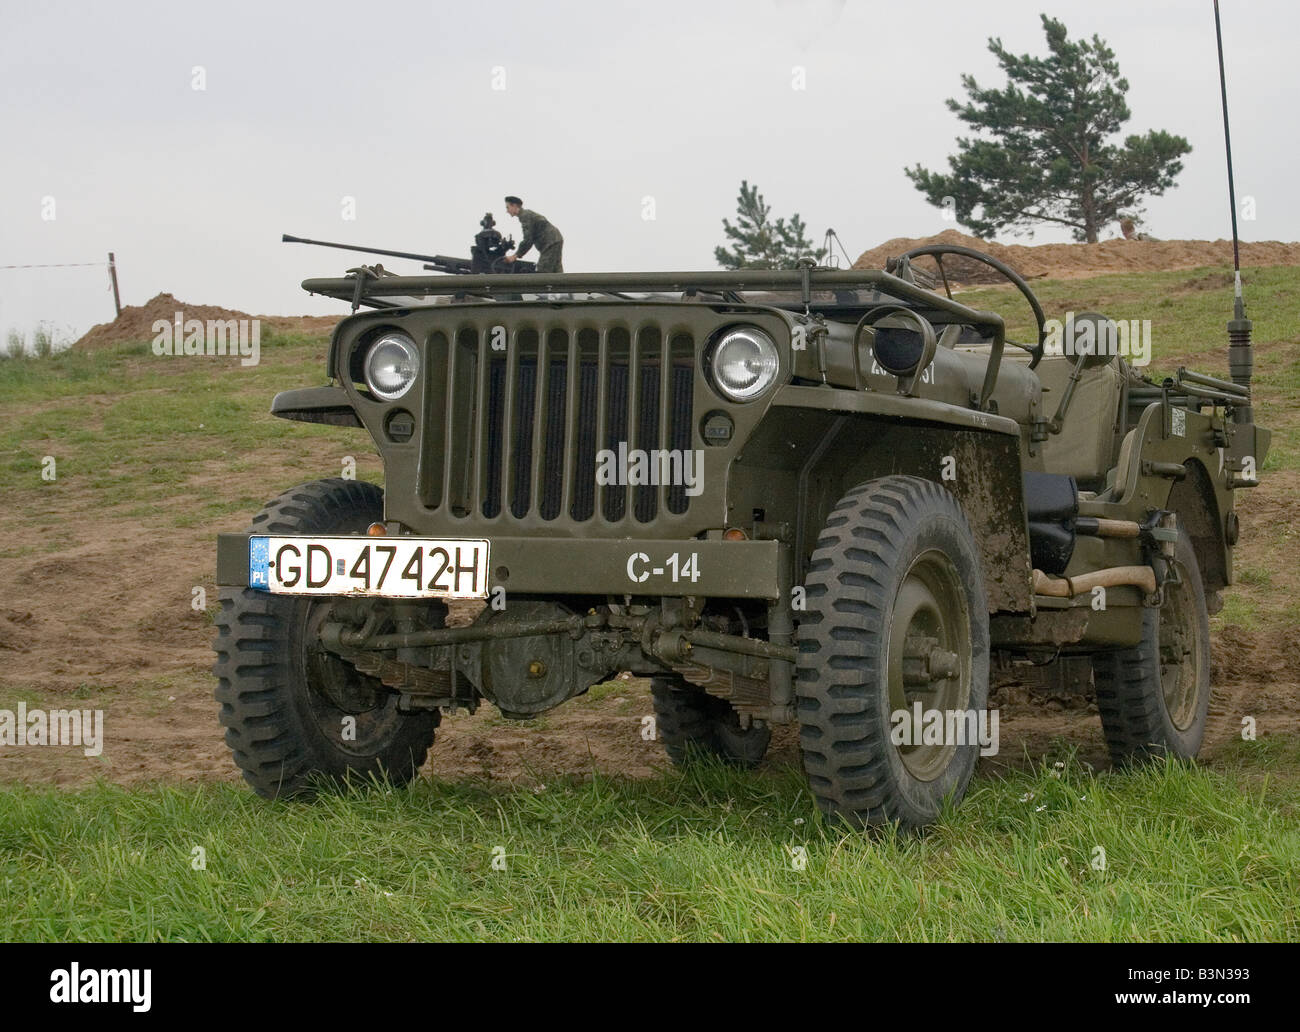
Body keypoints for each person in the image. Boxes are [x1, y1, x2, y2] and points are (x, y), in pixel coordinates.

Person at [503, 196, 564, 272]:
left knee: (543, 270)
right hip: (554, 240)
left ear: (514, 206)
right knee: (556, 271)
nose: (507, 211)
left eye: (507, 207)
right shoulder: (526, 215)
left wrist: (515, 256)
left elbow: (528, 240)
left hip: (550, 242)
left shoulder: (525, 216)